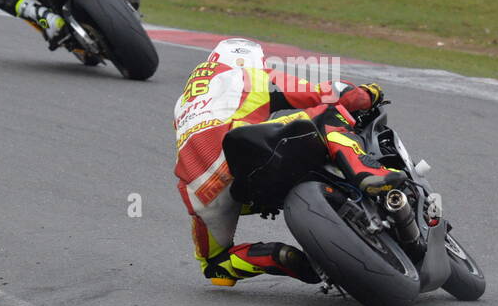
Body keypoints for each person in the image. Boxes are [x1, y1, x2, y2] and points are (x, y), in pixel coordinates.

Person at [174, 38, 405, 288]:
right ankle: (367, 172)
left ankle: (276, 258)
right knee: (330, 113)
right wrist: (366, 95)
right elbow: (328, 92)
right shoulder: (249, 77)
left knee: (217, 265)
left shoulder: (184, 104)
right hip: (243, 156)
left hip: (200, 189)